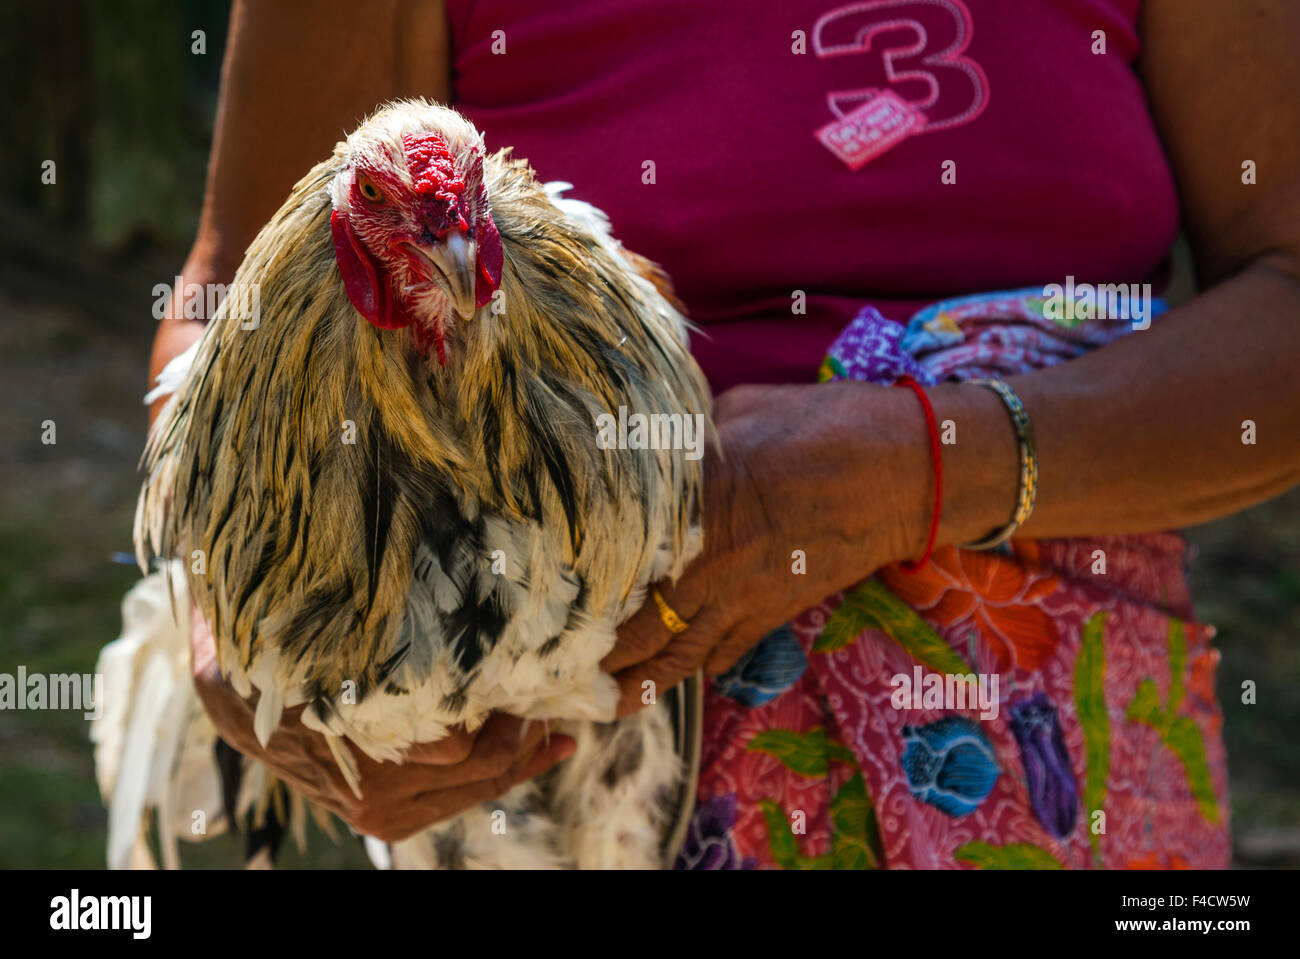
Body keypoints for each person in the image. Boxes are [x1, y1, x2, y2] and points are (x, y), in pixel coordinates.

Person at [151, 0, 1300, 867]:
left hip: (1069, 765)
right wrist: (236, 615)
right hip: (571, 773)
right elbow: (244, 290)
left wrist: (928, 465)